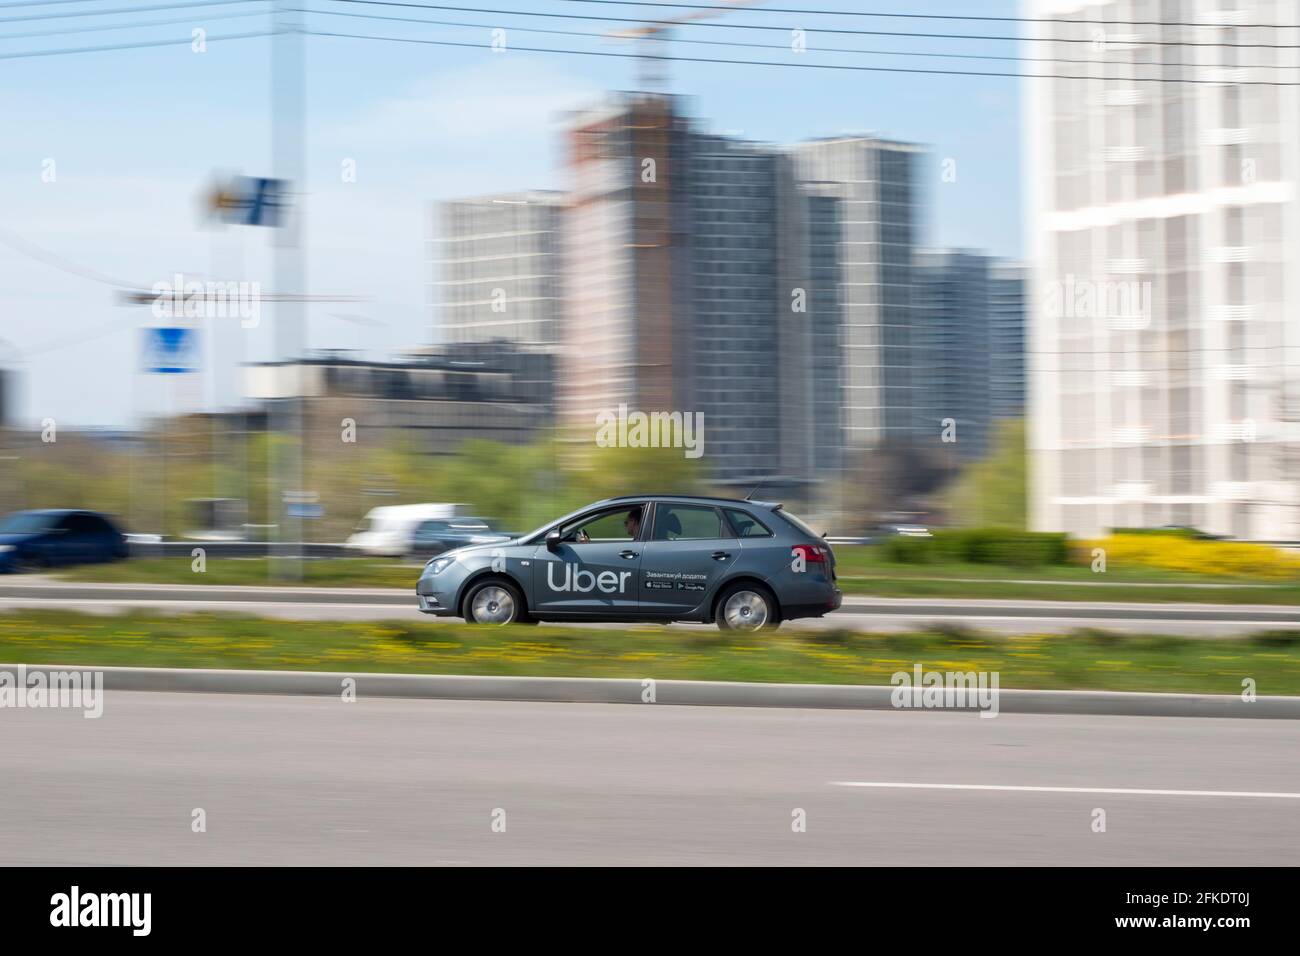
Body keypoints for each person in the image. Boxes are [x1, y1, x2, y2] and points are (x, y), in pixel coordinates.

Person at [575, 506, 642, 544]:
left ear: (633, 522)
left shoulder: (638, 544)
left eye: (626, 522)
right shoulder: (638, 542)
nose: (625, 526)